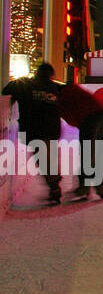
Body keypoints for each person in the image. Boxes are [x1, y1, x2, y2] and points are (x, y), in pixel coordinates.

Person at [3, 63, 64, 204]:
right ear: (50, 75)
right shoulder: (54, 87)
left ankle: (54, 185)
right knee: (47, 159)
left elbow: (7, 90)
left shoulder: (25, 85)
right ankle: (54, 182)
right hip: (51, 129)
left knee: (43, 160)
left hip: (35, 129)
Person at [56, 81, 103, 200]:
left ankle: (84, 186)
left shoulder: (60, 98)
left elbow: (69, 118)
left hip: (91, 118)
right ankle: (100, 186)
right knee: (102, 152)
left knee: (88, 152)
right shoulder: (73, 89)